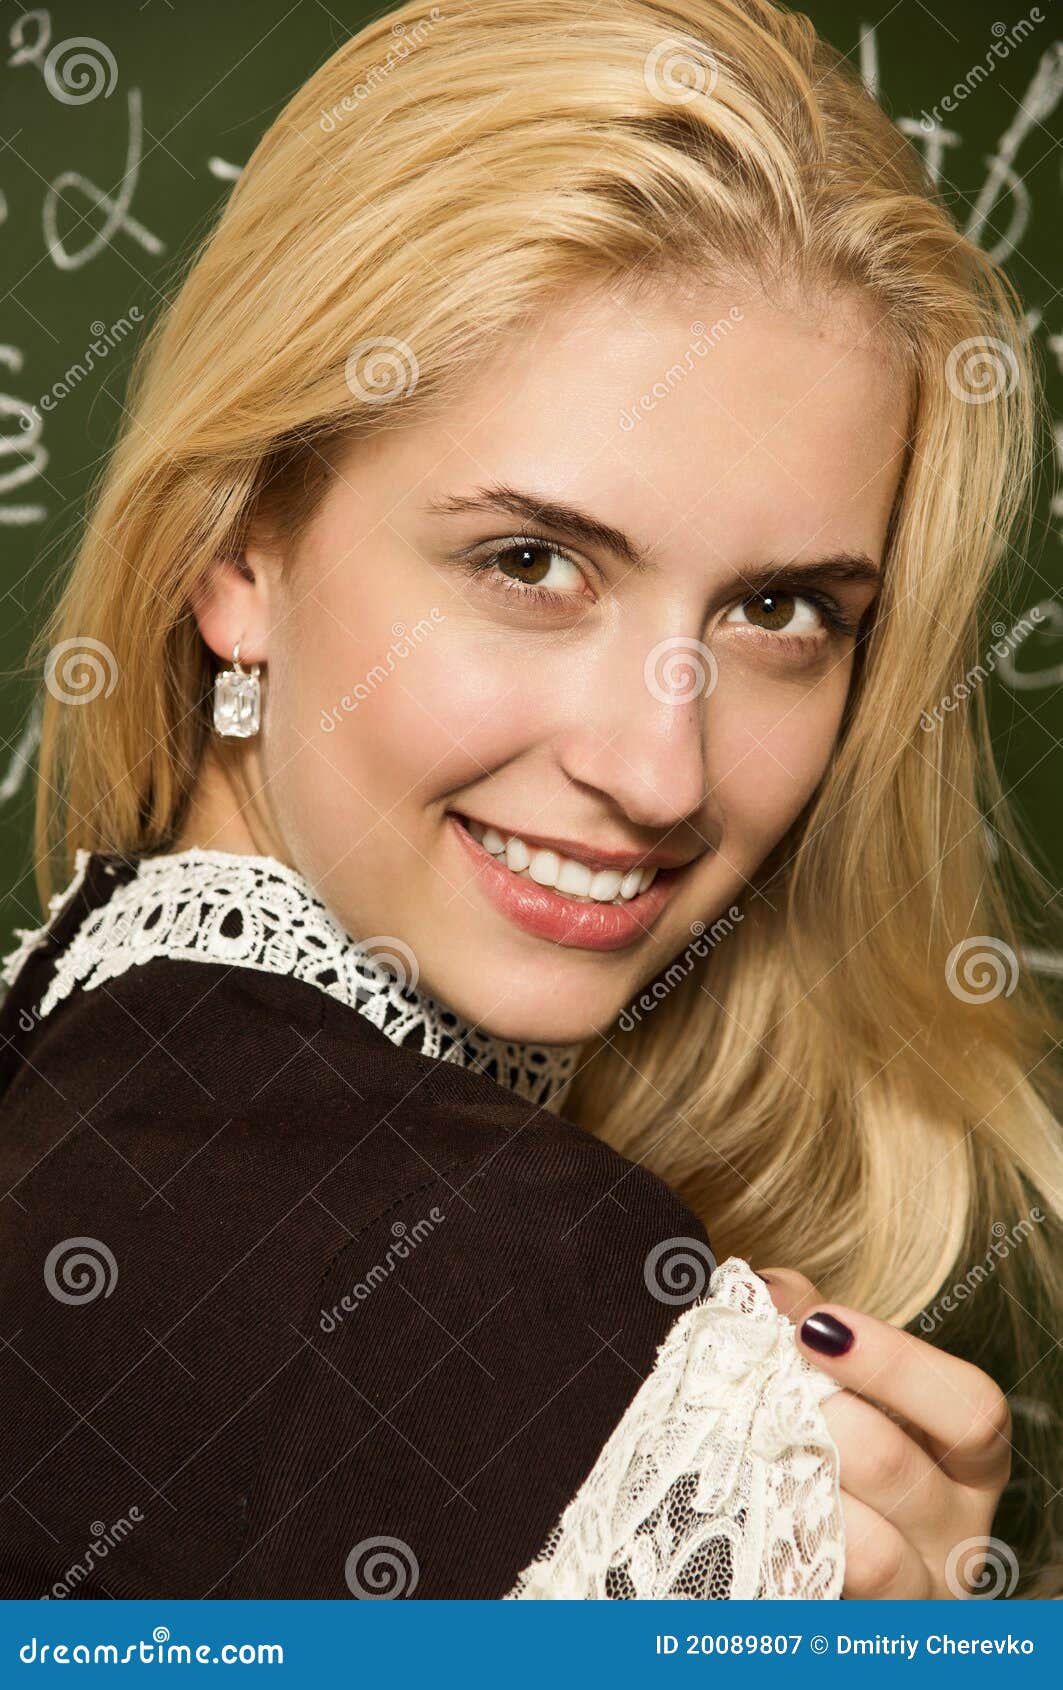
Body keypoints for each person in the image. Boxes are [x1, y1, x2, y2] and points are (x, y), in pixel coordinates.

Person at [0, 0, 1059, 1600]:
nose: (657, 771)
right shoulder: (519, 1303)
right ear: (240, 557)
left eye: (782, 612)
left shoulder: (97, 1068)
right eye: (532, 564)